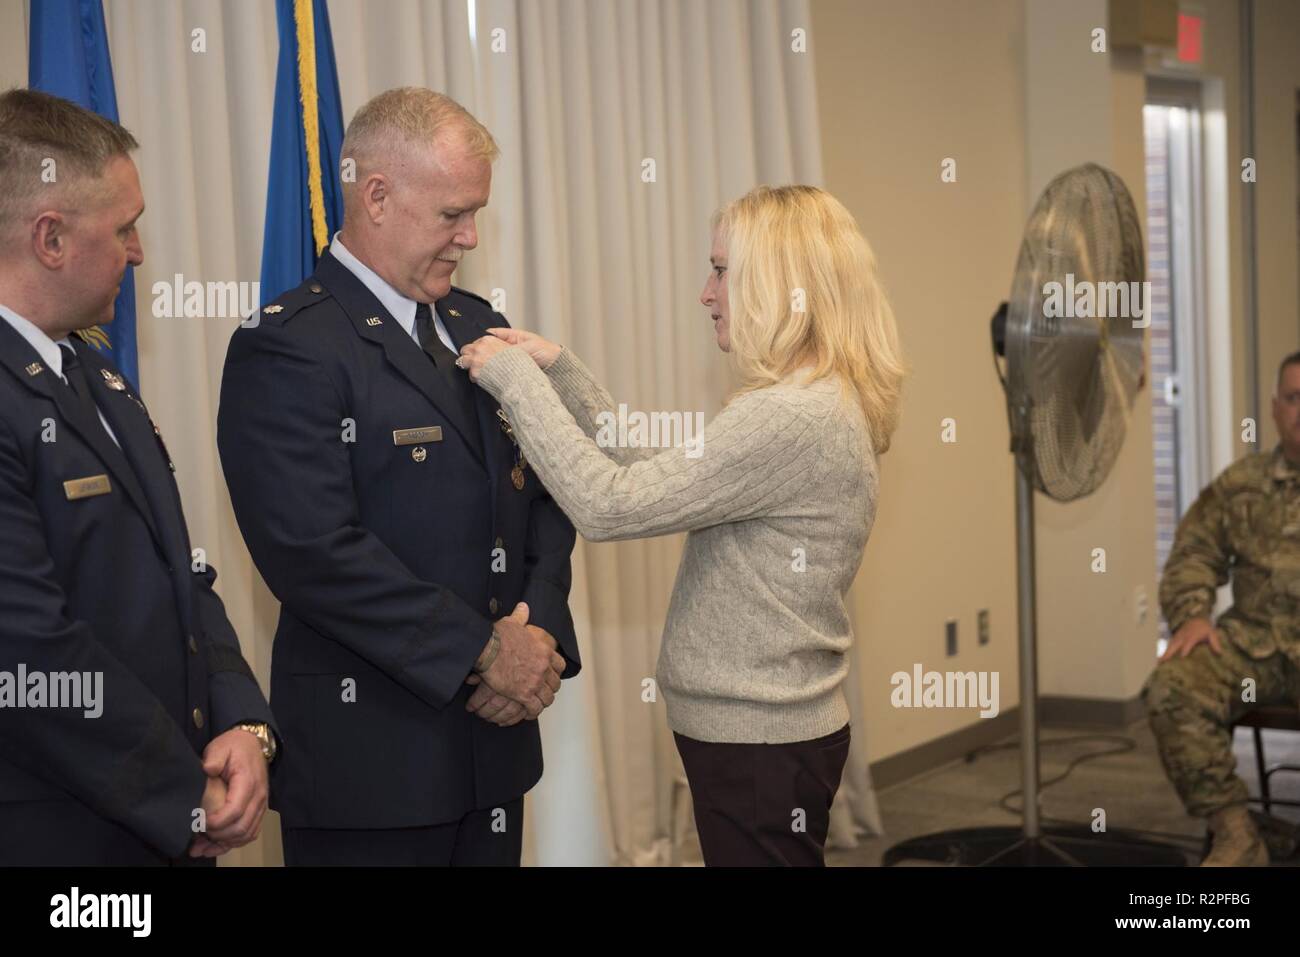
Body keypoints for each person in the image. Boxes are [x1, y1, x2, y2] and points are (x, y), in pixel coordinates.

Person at [458, 184, 905, 865]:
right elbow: (655, 472)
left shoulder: (788, 418)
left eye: (722, 270)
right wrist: (562, 373)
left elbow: (609, 503)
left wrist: (518, 385)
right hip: (766, 732)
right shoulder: (806, 401)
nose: (706, 291)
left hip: (758, 739)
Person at [217, 88, 578, 866]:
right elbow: (315, 552)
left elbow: (550, 492)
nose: (471, 237)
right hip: (373, 765)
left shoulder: (480, 327)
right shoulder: (290, 347)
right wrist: (487, 651)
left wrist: (537, 632)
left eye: (476, 213)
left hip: (496, 741)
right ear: (376, 195)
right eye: (453, 214)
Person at [0, 88, 277, 865]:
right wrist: (181, 791)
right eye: (124, 228)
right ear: (50, 237)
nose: (139, 251)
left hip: (156, 813)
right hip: (59, 833)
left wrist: (242, 724)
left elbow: (178, 572)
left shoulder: (92, 370)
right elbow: (25, 650)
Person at [1144, 350, 1300, 867]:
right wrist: (1192, 614)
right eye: (1294, 398)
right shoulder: (1242, 485)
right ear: (1275, 408)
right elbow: (1194, 552)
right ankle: (1238, 833)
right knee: (1172, 686)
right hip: (1255, 645)